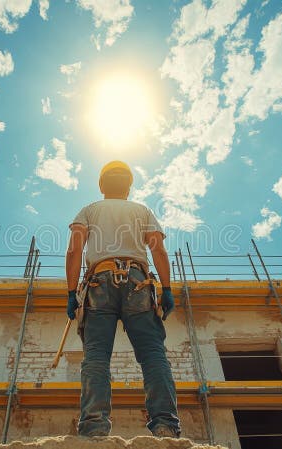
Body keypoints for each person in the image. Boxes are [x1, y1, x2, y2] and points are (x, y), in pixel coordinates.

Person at [65, 160, 180, 438]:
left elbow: (74, 250)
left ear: (102, 186)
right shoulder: (142, 211)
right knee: (153, 355)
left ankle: (94, 428)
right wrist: (166, 288)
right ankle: (165, 425)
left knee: (96, 357)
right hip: (138, 283)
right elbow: (159, 252)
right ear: (128, 186)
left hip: (98, 283)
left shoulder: (89, 210)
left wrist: (71, 293)